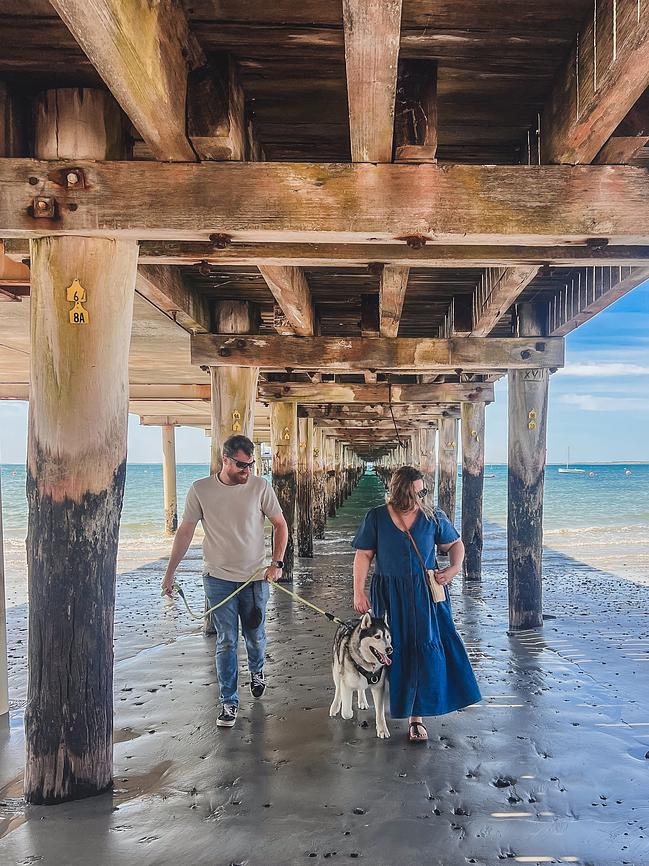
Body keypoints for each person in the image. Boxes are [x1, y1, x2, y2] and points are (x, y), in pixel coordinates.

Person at [162, 434, 288, 728]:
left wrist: (277, 564)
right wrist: (169, 573)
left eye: (251, 465)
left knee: (255, 637)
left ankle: (257, 670)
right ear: (225, 460)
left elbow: (280, 525)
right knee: (227, 640)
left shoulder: (260, 487)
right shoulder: (200, 490)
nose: (247, 471)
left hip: (255, 579)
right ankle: (228, 702)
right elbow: (185, 532)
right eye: (241, 465)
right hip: (217, 579)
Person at [352, 465, 481, 742]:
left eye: (423, 492)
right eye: (416, 493)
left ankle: (416, 718)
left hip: (426, 595)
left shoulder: (432, 516)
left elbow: (455, 544)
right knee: (392, 650)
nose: (421, 497)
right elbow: (364, 555)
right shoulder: (376, 517)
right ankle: (383, 707)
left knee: (424, 649)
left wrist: (454, 569)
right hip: (390, 595)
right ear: (400, 492)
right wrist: (358, 592)